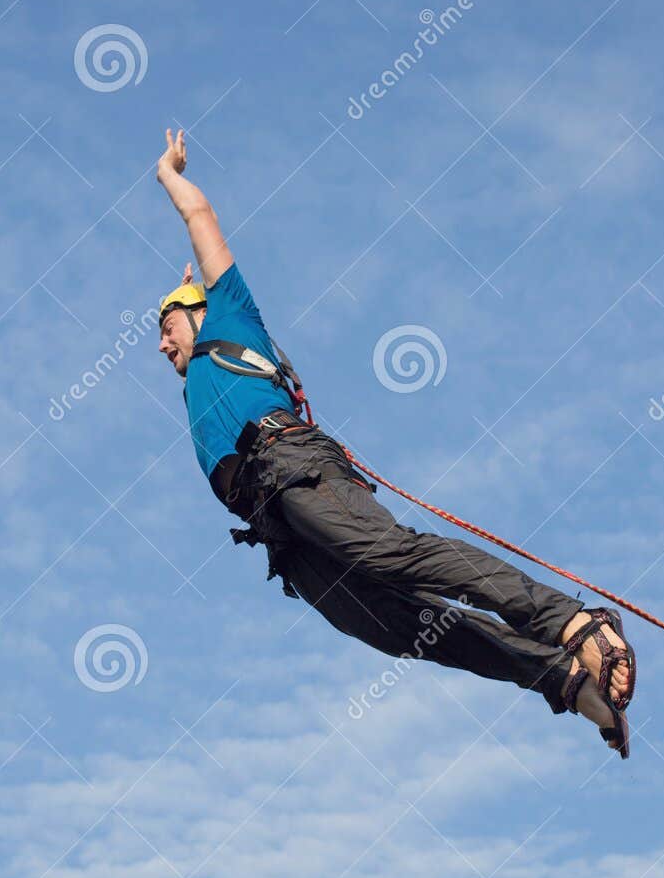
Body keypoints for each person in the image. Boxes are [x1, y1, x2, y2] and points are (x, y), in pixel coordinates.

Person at [155, 128, 634, 756]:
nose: (162, 346)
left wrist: (169, 173)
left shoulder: (231, 315)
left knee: (391, 556)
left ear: (199, 311)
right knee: (394, 626)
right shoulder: (197, 382)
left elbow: (200, 214)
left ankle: (575, 623)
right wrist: (176, 298)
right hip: (276, 524)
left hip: (292, 465)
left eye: (167, 327)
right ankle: (564, 680)